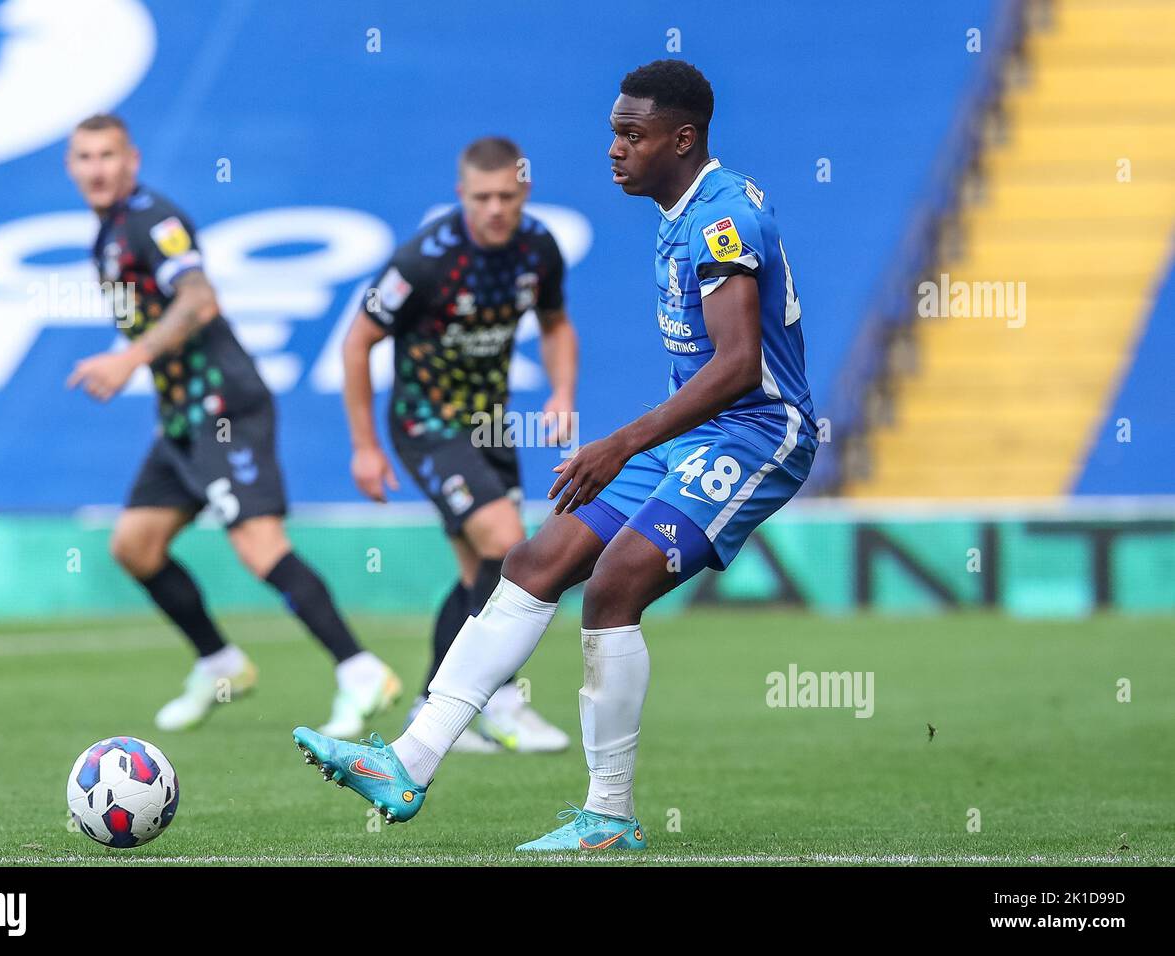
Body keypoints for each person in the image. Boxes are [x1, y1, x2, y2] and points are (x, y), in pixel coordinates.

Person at [291, 59, 817, 851]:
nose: (614, 149)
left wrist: (621, 440)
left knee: (611, 588)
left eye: (631, 136)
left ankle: (609, 815)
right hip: (693, 435)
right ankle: (408, 759)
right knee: (536, 561)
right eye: (613, 131)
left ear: (682, 138)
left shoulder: (721, 221)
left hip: (756, 433)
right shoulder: (684, 207)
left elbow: (739, 366)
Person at [65, 113, 399, 735]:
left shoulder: (151, 221)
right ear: (71, 167)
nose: (98, 168)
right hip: (181, 418)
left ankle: (360, 670)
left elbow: (199, 298)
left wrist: (131, 357)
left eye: (108, 155)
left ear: (132, 160)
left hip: (223, 407)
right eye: (85, 157)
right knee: (134, 546)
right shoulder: (106, 235)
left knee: (259, 546)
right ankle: (221, 663)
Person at [341, 136, 578, 752]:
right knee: (509, 547)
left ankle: (433, 708)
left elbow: (555, 323)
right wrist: (365, 448)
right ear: (461, 194)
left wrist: (561, 392)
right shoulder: (424, 260)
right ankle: (495, 699)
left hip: (491, 427)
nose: (496, 208)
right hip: (427, 424)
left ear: (523, 190)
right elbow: (356, 342)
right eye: (483, 197)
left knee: (482, 572)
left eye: (507, 195)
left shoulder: (538, 249)